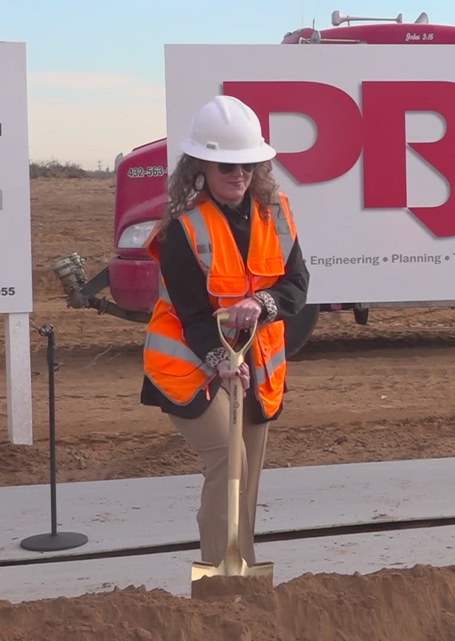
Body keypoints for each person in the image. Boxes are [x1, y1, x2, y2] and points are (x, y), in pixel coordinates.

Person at [140, 95, 310, 566]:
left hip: (256, 366)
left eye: (247, 166)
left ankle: (245, 573)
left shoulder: (276, 214)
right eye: (226, 167)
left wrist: (262, 302)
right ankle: (219, 580)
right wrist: (220, 363)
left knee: (249, 475)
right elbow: (194, 318)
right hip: (189, 366)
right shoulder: (181, 231)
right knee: (228, 463)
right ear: (201, 168)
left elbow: (297, 284)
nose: (239, 176)